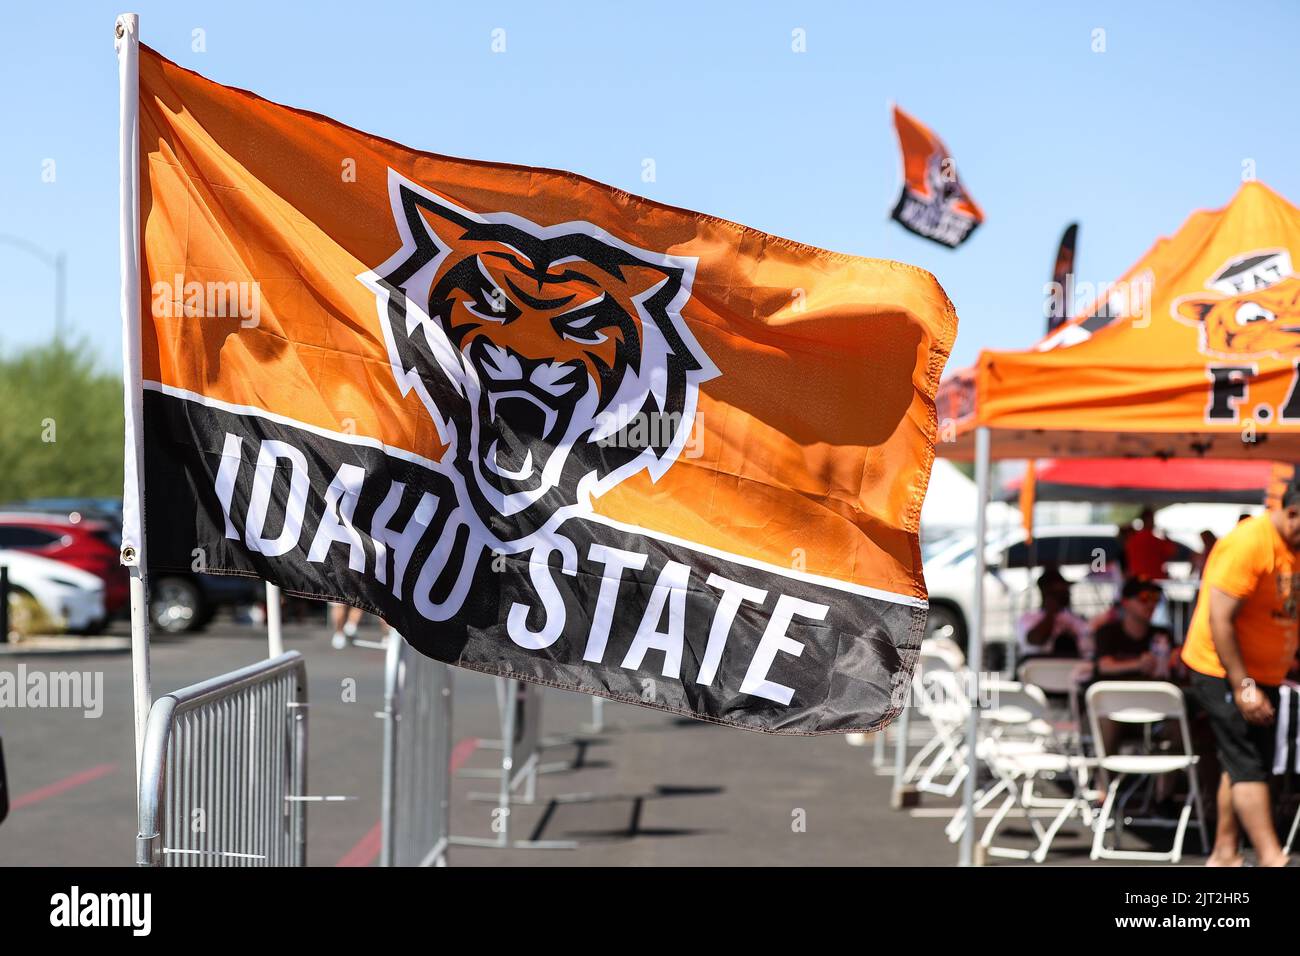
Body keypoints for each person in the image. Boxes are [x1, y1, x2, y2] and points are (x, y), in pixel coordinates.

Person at [1181, 477, 1300, 867]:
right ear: (1293, 513)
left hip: (1264, 671)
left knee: (1244, 762)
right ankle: (1271, 858)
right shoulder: (1250, 542)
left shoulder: (1293, 548)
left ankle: (1224, 854)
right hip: (1222, 668)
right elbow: (1220, 619)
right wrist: (1244, 685)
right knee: (1248, 762)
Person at [1017, 568, 1089, 659]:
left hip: (1074, 669)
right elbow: (1037, 639)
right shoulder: (1028, 618)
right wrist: (1050, 612)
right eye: (1061, 588)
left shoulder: (1076, 619)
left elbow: (1088, 649)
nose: (1067, 592)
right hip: (1042, 669)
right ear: (1046, 591)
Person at [1123, 507, 1178, 581]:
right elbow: (1172, 551)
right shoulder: (1154, 541)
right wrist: (1167, 538)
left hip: (1137, 581)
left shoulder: (1132, 540)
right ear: (1150, 520)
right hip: (1154, 580)